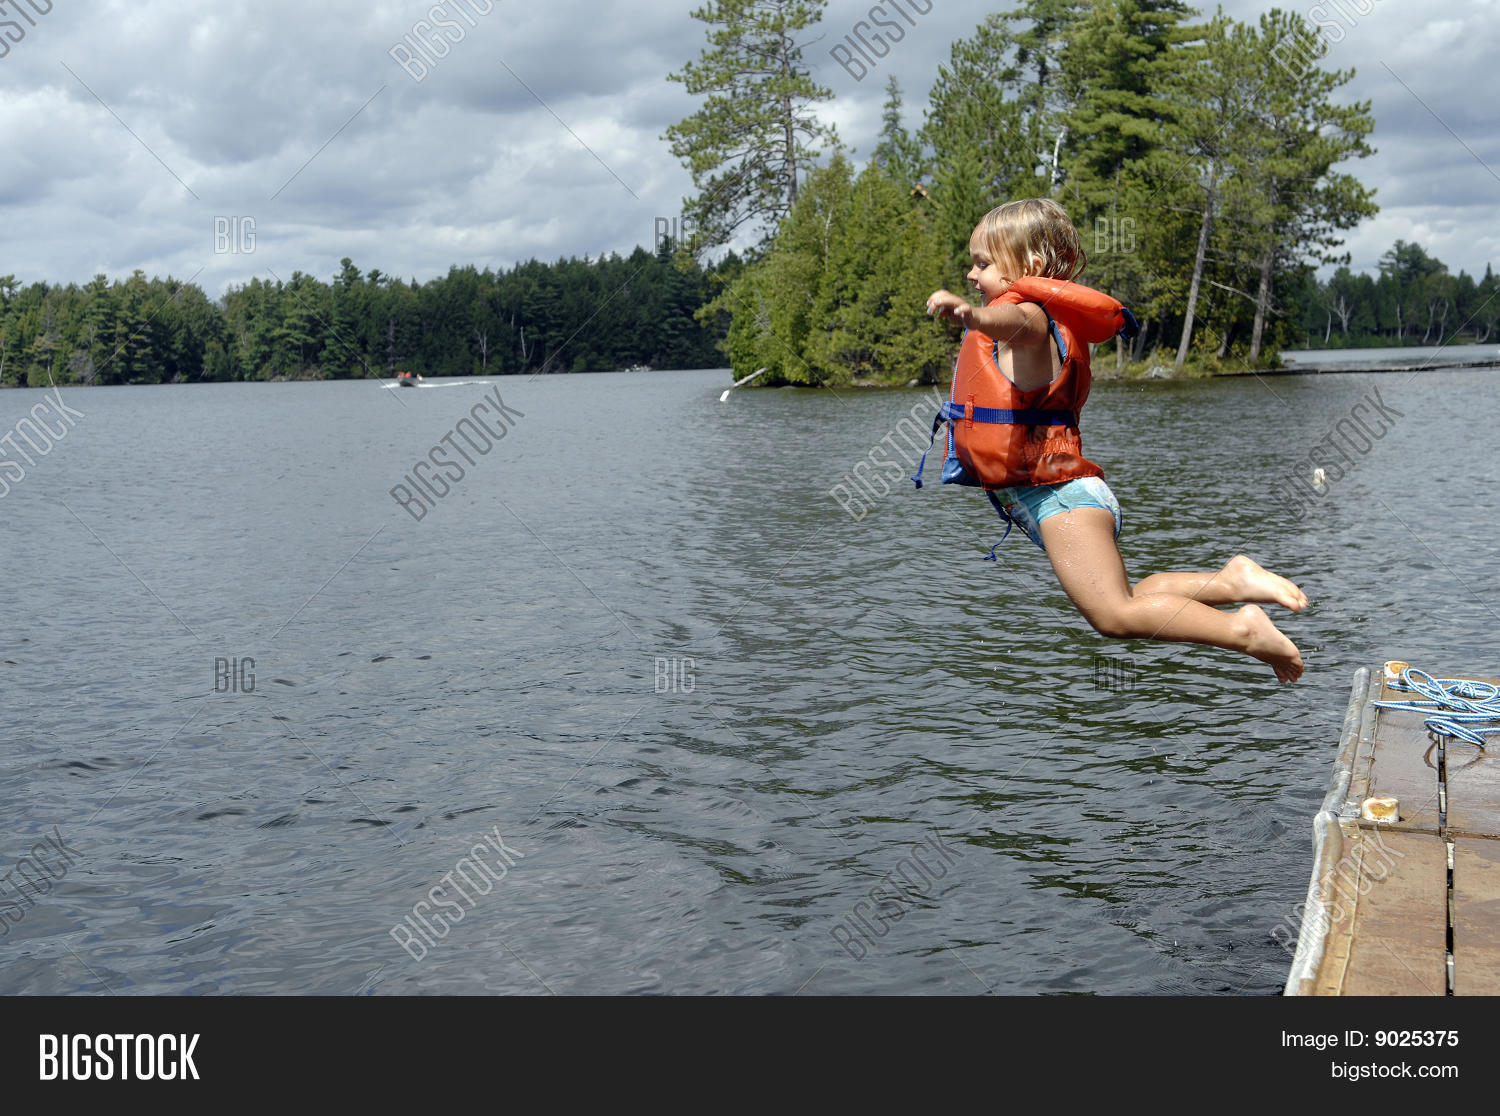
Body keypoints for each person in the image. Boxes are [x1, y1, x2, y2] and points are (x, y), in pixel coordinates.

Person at [924, 198, 1306, 683]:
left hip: (1059, 498)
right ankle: (1231, 581)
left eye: (983, 263)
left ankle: (1244, 630)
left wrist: (972, 316)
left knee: (1114, 617)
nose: (971, 274)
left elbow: (1014, 323)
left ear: (1030, 266)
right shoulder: (1042, 318)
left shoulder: (1030, 318)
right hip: (1063, 496)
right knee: (1136, 597)